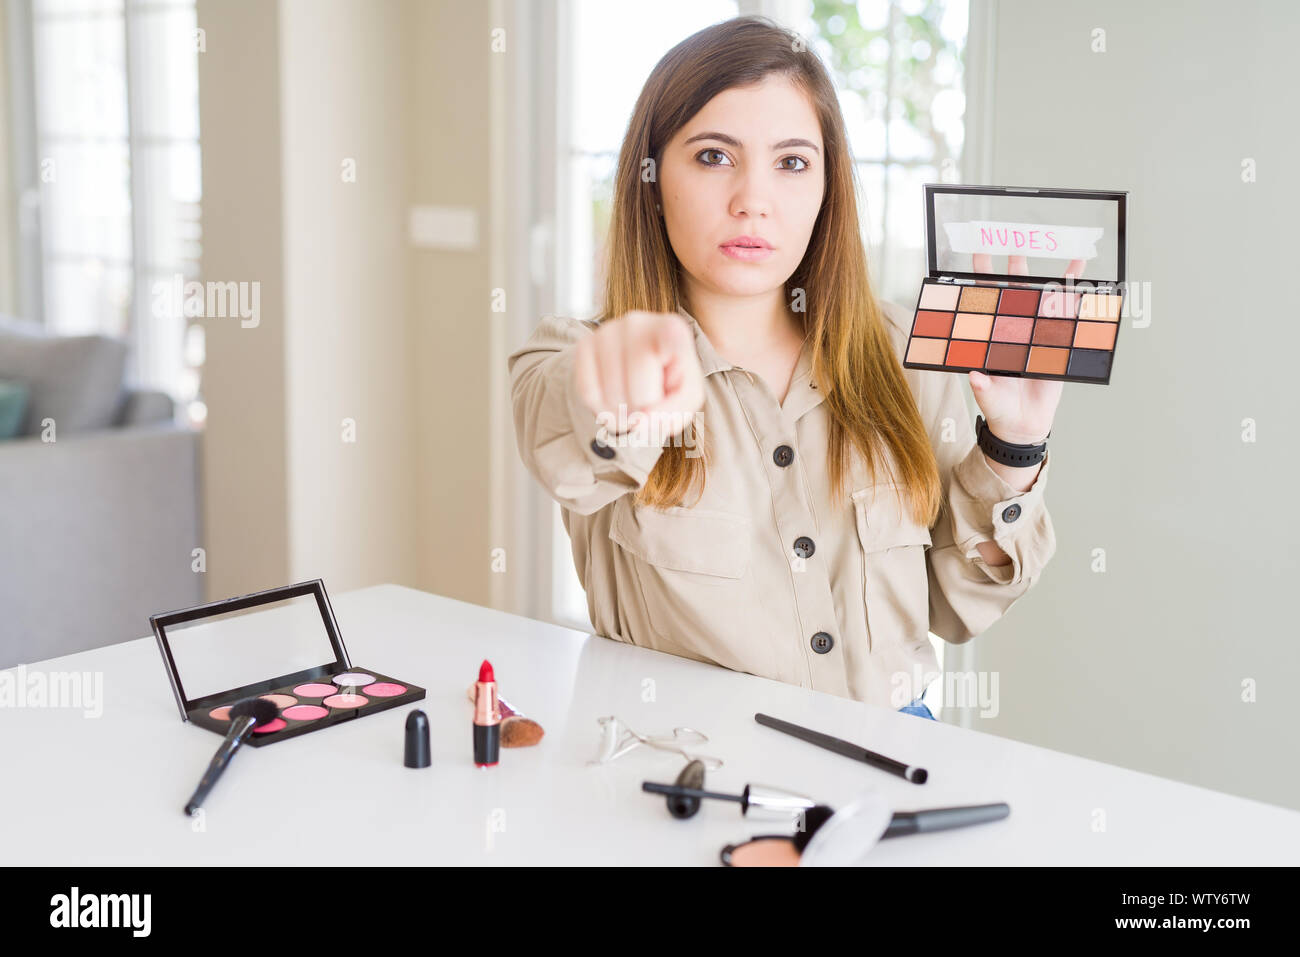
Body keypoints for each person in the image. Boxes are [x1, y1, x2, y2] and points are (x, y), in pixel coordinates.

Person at [507, 16, 1057, 719]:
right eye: (712, 156)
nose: (753, 200)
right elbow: (561, 425)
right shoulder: (571, 353)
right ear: (650, 179)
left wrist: (1011, 450)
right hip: (689, 773)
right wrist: (621, 380)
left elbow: (956, 607)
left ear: (828, 188)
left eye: (792, 162)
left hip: (891, 756)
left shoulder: (901, 351)